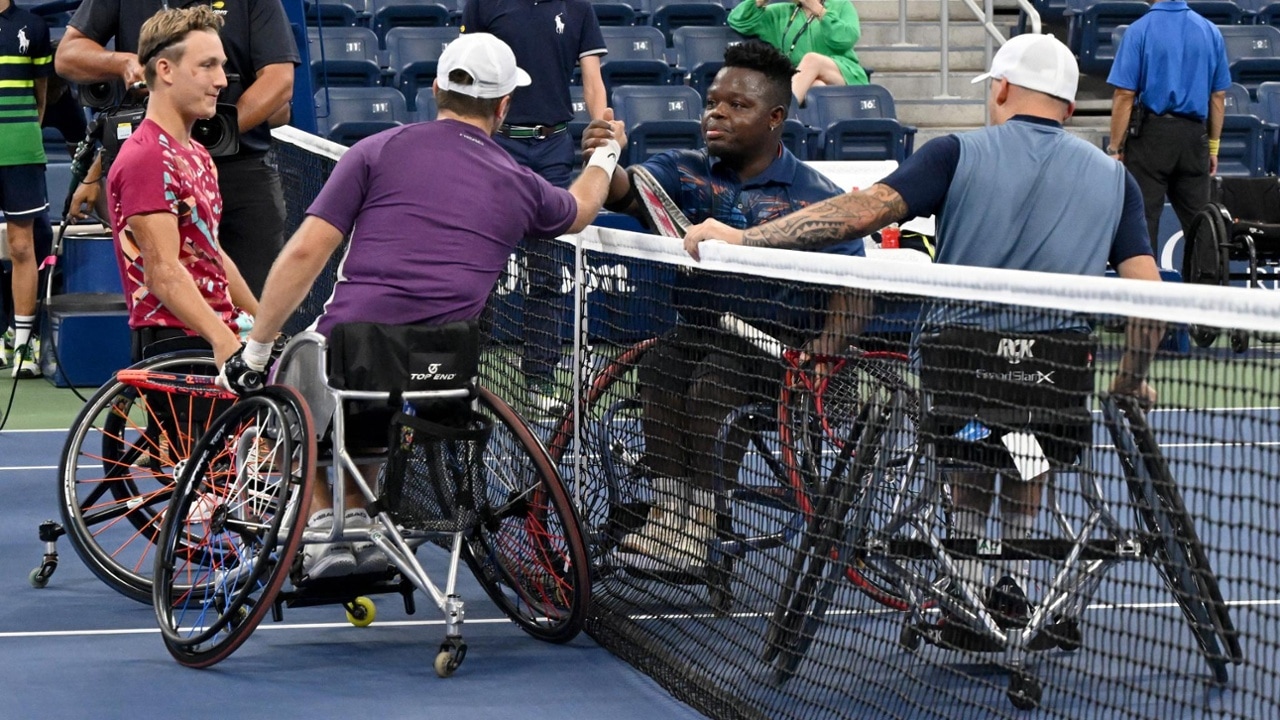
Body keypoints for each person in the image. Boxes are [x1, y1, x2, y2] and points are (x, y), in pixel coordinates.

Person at [685, 33, 1165, 622]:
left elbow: (856, 215)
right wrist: (1129, 378)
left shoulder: (957, 151)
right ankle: (1005, 588)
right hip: (1056, 370)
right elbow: (1149, 306)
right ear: (1067, 107)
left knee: (967, 474)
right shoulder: (1117, 181)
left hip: (960, 361)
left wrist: (745, 238)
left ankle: (965, 593)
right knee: (1025, 463)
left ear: (1004, 89)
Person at [220, 33, 621, 579]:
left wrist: (258, 348)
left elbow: (307, 251)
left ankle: (320, 524)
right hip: (442, 374)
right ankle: (356, 521)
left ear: (435, 90)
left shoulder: (376, 150)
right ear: (505, 107)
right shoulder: (521, 182)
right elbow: (580, 208)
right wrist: (607, 152)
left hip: (353, 358)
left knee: (287, 381)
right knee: (372, 390)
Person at [580, 40, 864, 569]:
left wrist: (821, 354)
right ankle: (671, 512)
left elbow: (857, 285)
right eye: (713, 101)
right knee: (661, 364)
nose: (718, 112)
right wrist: (606, 152)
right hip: (698, 331)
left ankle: (701, 521)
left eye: (739, 105)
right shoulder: (683, 170)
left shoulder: (818, 197)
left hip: (775, 352)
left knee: (717, 375)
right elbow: (622, 191)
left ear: (776, 117)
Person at [56, 0, 299, 296]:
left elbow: (280, 80)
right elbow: (67, 55)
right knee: (164, 294)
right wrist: (125, 62)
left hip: (241, 172)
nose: (220, 80)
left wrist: (213, 133)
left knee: (252, 300)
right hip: (152, 170)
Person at [461, 0, 607, 415]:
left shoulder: (578, 8)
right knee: (479, 269)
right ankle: (465, 378)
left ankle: (540, 378)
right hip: (496, 142)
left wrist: (602, 130)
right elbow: (468, 73)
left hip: (554, 148)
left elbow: (592, 80)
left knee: (545, 273)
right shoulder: (483, 3)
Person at [106, 5, 257, 366]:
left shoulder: (199, 154)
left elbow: (212, 254)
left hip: (217, 331)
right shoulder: (148, 158)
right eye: (207, 65)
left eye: (221, 65)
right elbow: (163, 273)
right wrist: (223, 341)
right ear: (165, 70)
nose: (222, 80)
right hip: (180, 340)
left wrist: (264, 323)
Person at [1107, 0, 1230, 254]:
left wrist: (1115, 147)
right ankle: (1207, 290)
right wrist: (1214, 147)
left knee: (1143, 222)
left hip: (1151, 138)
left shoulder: (1139, 30)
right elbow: (1217, 97)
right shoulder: (1209, 31)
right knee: (1201, 226)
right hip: (1195, 138)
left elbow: (1124, 94)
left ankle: (1145, 292)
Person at [0, 0, 51, 378]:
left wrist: (23, 132)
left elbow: (41, 95)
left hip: (20, 147)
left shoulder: (32, 27)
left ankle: (23, 346)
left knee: (22, 246)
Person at [728, 0, 868, 107]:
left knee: (812, 60)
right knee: (816, 86)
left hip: (843, 74)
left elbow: (846, 39)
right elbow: (738, 21)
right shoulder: (782, 13)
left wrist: (818, 10)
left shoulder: (841, 5)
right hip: (802, 79)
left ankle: (783, 114)